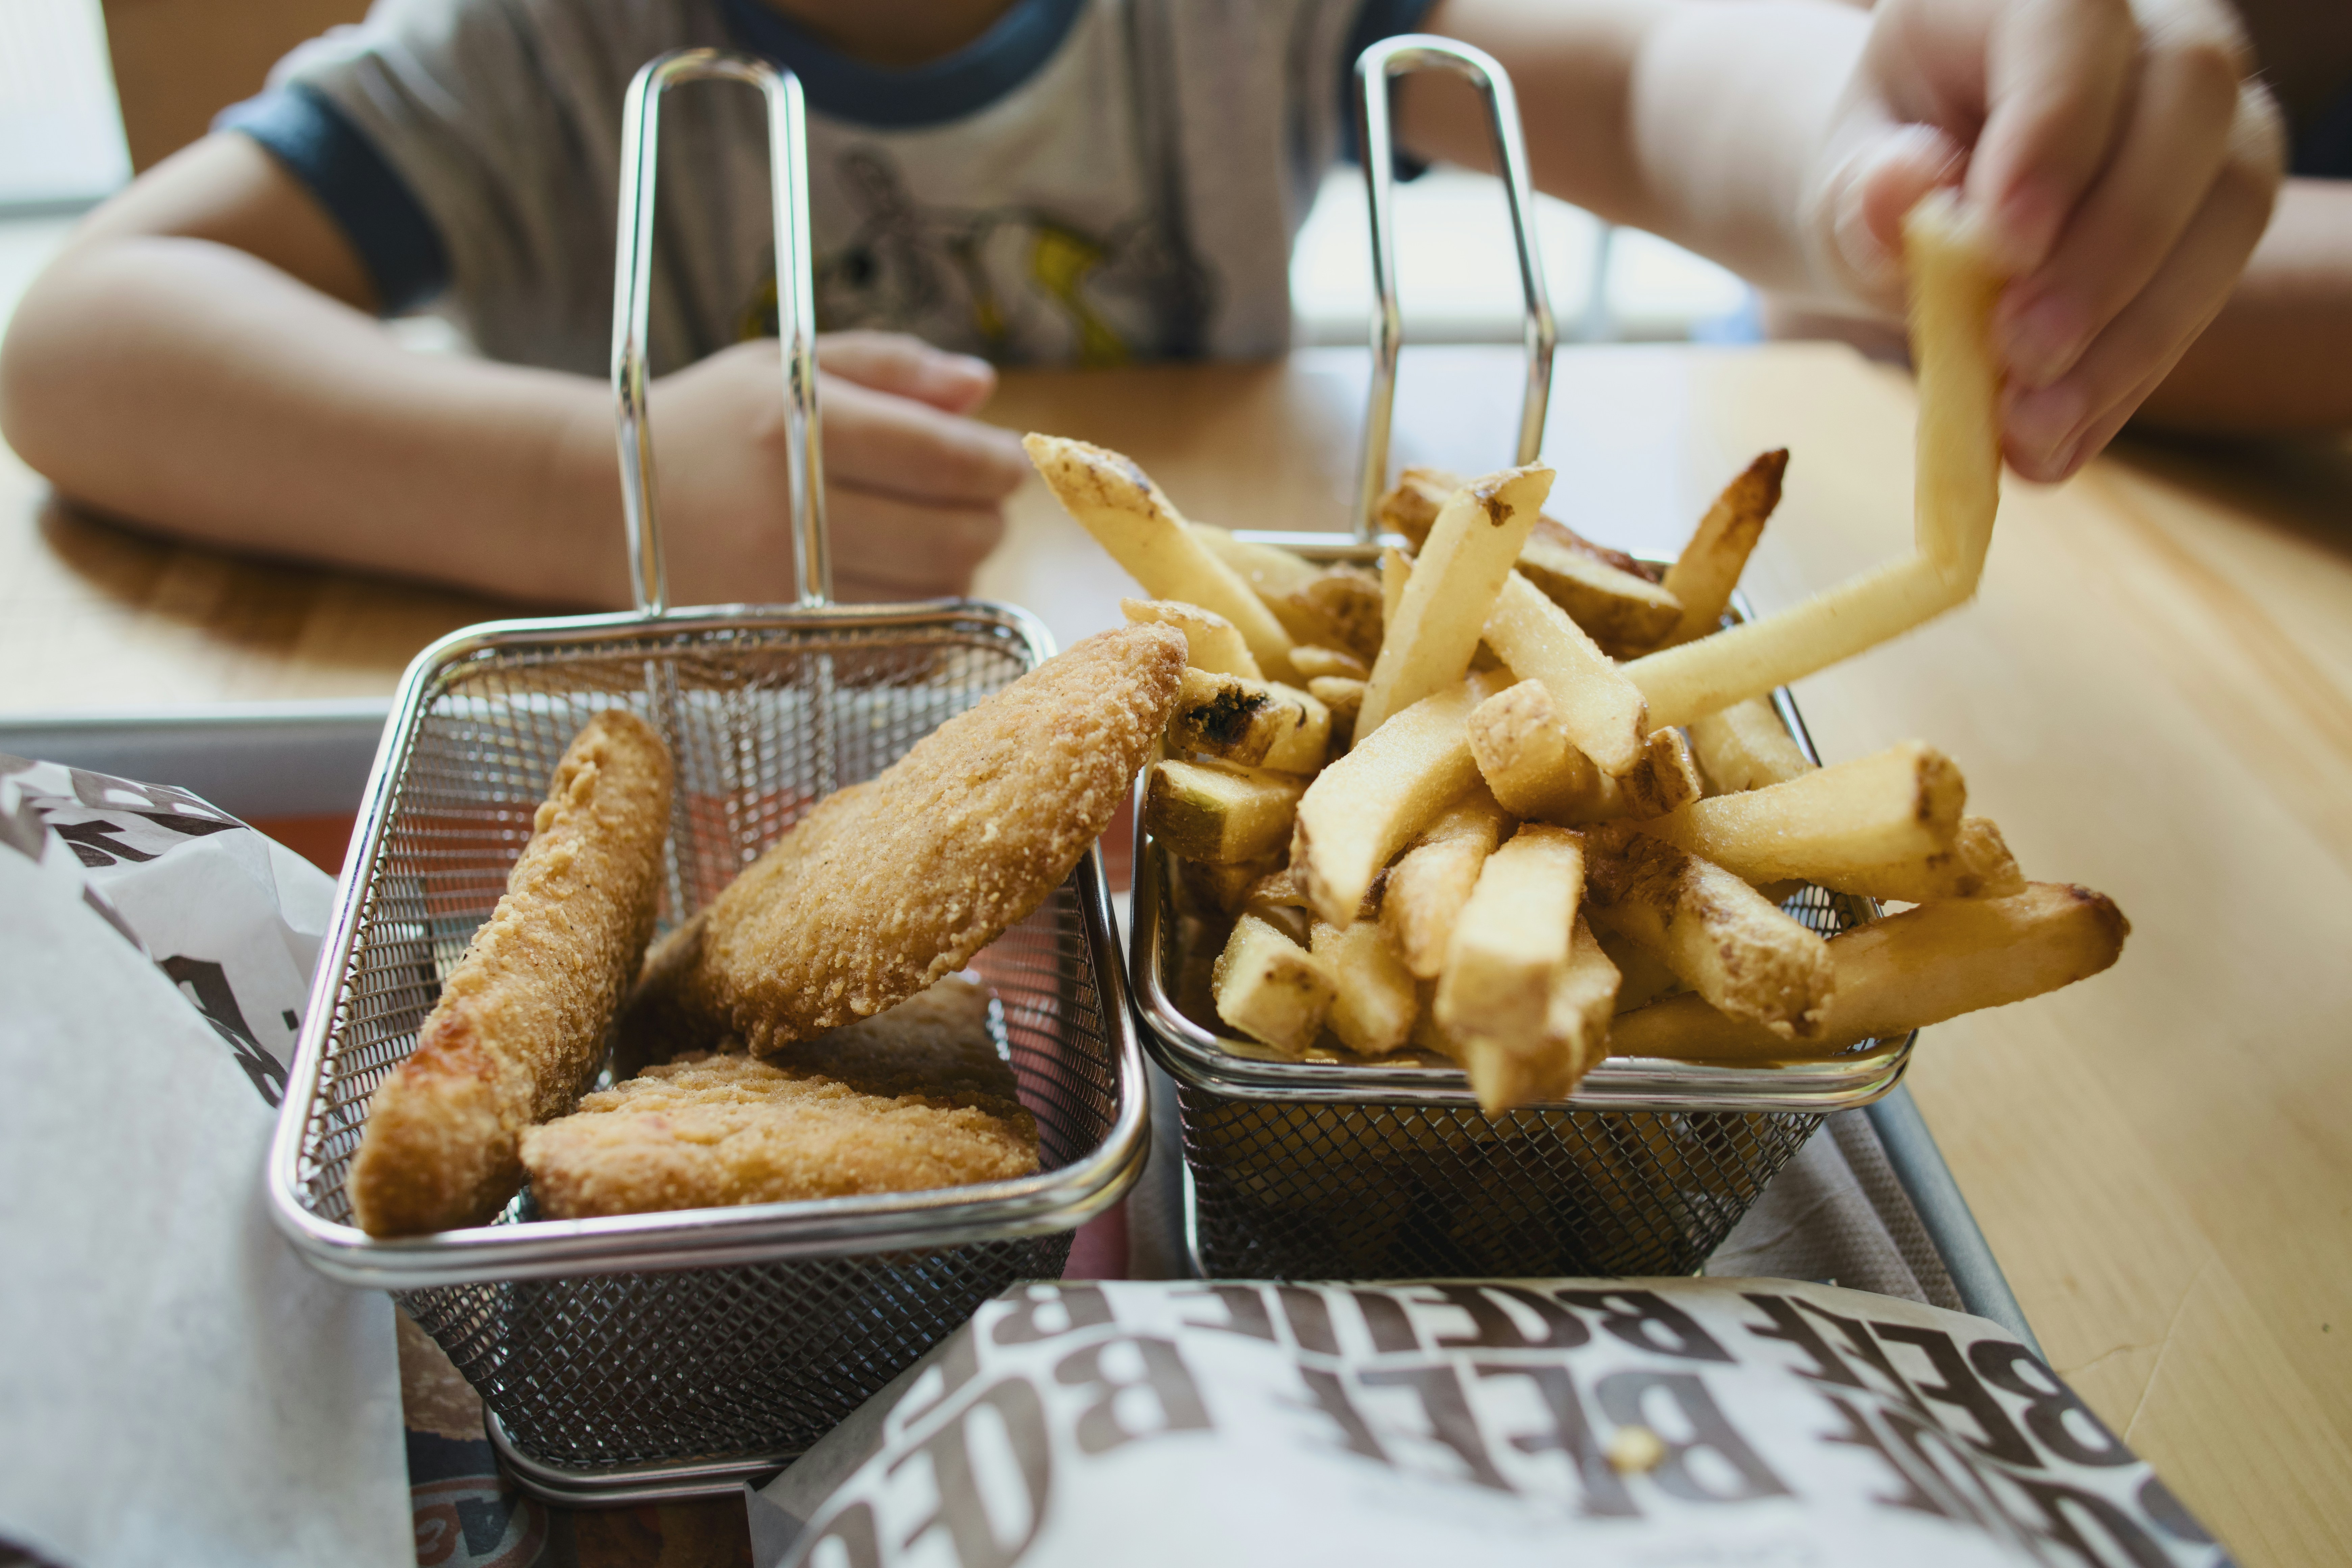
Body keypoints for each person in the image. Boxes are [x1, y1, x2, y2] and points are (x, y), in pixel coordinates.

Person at [0, 0, 2288, 610]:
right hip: (723, 757)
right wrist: (599, 490)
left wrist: (1853, 138)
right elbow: (84, 340)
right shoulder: (527, 50)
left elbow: (1657, 72)